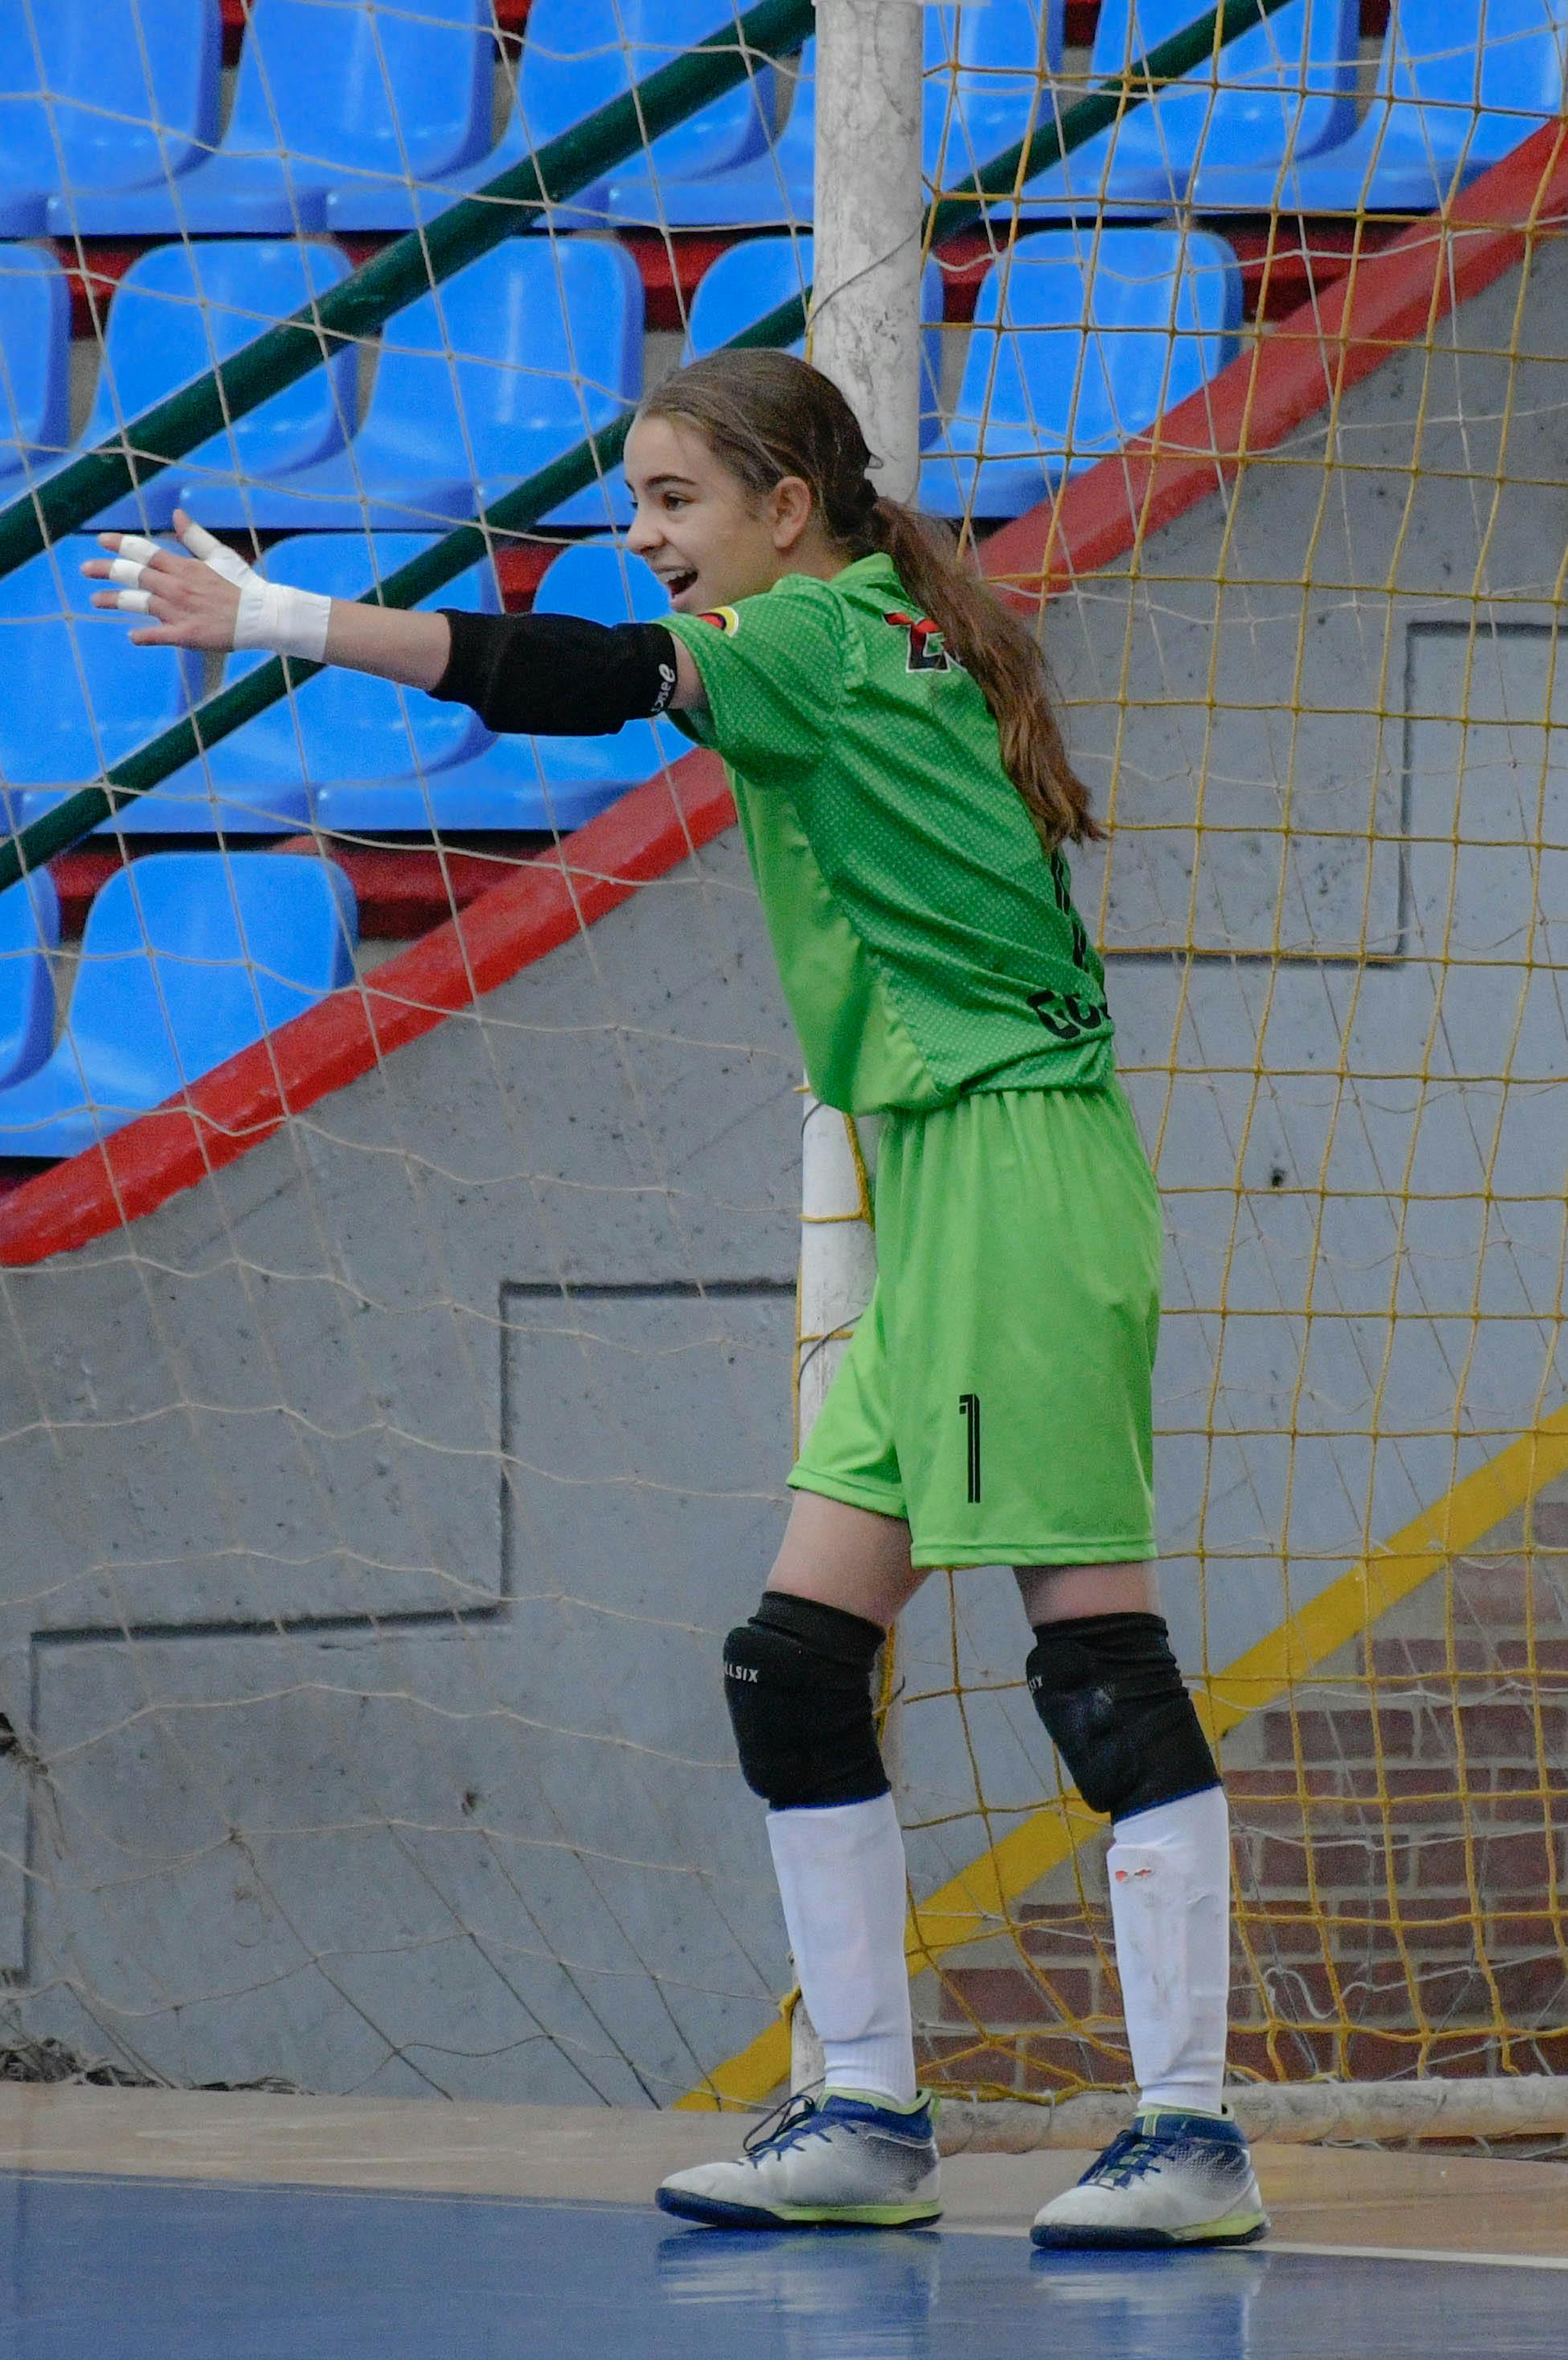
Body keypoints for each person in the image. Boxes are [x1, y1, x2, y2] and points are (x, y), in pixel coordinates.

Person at [83, 347, 1266, 2253]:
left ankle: (1193, 2136)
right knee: (794, 1664)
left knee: (1092, 1663)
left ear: (783, 513)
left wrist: (274, 611)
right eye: (631, 506)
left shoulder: (807, 636)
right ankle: (869, 2111)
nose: (641, 542)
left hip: (1020, 1175)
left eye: (671, 505)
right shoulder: (862, 625)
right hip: (955, 1168)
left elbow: (564, 683)